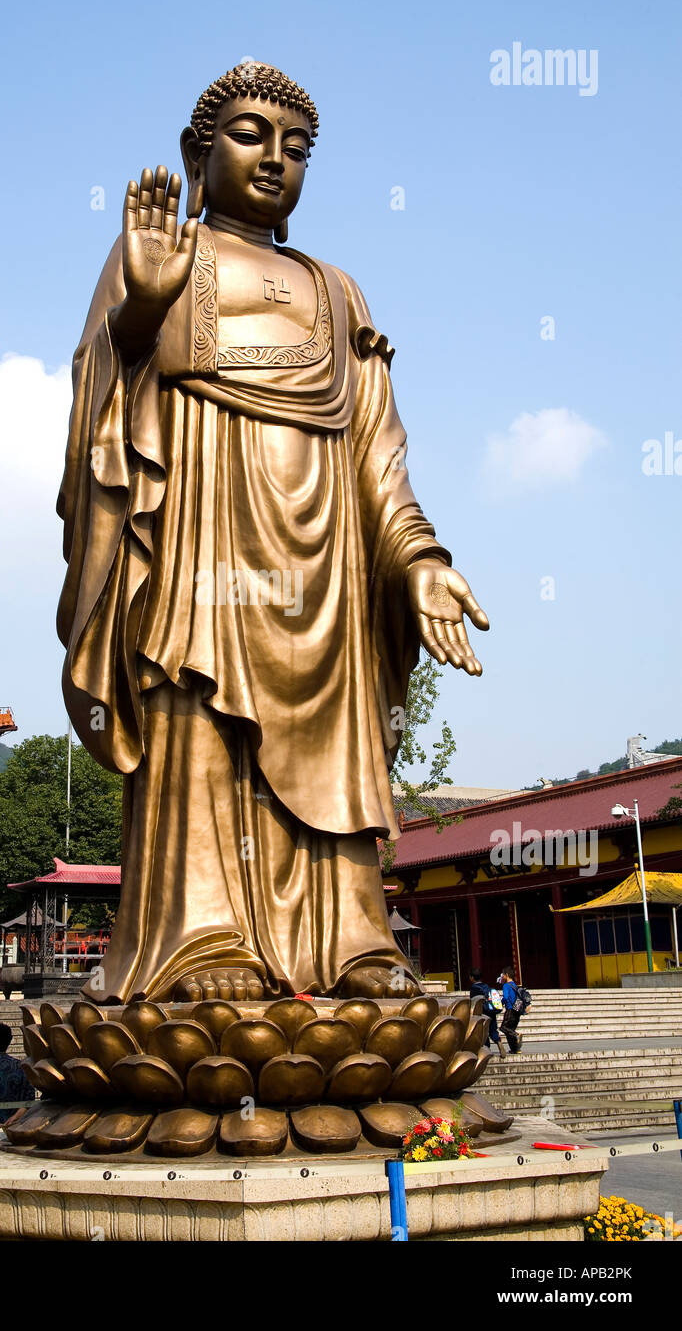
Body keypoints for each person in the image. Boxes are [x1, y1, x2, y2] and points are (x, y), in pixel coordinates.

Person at [58, 62, 490, 1006]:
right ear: (196, 150)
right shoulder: (164, 256)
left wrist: (418, 559)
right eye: (251, 135)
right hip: (203, 543)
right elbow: (102, 408)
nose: (275, 160)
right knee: (199, 723)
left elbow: (380, 449)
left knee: (337, 746)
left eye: (297, 149)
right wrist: (139, 310)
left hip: (326, 570)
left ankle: (353, 943)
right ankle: (198, 940)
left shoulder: (336, 292)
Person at [469, 967, 504, 1055]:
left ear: (472, 977)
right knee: (493, 1029)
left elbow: (474, 1001)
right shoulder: (486, 987)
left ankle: (486, 1049)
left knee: (483, 1030)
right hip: (491, 1011)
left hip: (482, 1012)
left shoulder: (474, 988)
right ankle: (498, 1041)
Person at [500, 965, 523, 1054]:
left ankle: (516, 1035)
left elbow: (505, 997)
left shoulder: (506, 985)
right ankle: (515, 1049)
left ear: (506, 975)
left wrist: (500, 1004)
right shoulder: (515, 986)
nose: (502, 976)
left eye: (503, 974)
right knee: (510, 1029)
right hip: (516, 1011)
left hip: (510, 1010)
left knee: (504, 1027)